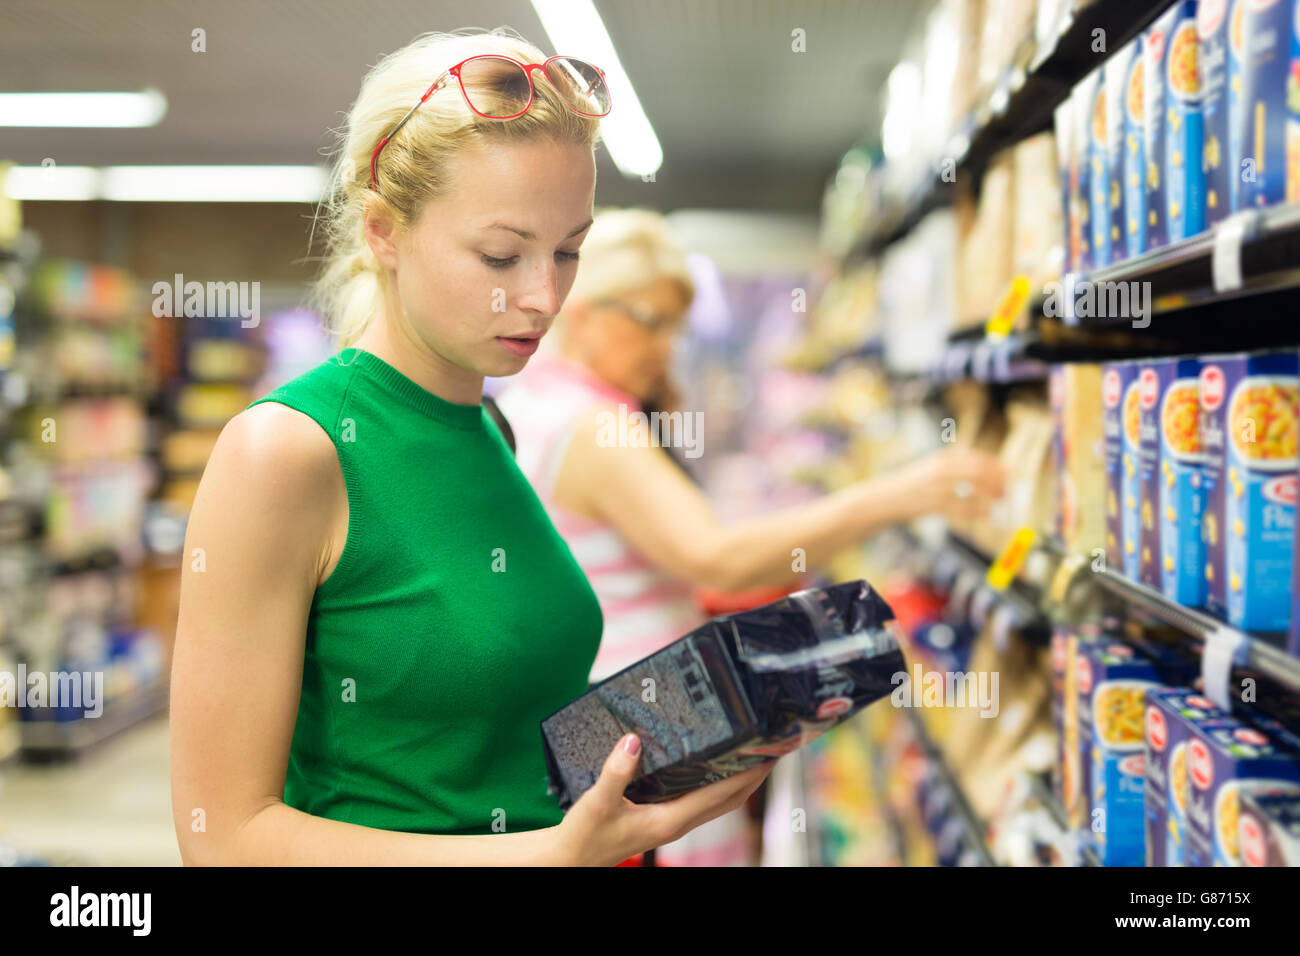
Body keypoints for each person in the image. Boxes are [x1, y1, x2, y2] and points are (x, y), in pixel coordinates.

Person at [168, 29, 773, 867]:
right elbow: (224, 836)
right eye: (501, 254)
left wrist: (674, 733)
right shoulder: (286, 453)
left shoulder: (494, 427)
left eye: (568, 252)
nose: (543, 296)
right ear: (384, 231)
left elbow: (482, 736)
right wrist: (547, 856)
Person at [495, 208, 1006, 865]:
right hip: (654, 727)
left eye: (677, 326)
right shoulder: (590, 425)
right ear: (589, 312)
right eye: (653, 323)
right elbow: (716, 558)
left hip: (607, 720)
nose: (667, 347)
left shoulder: (533, 400)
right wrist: (905, 492)